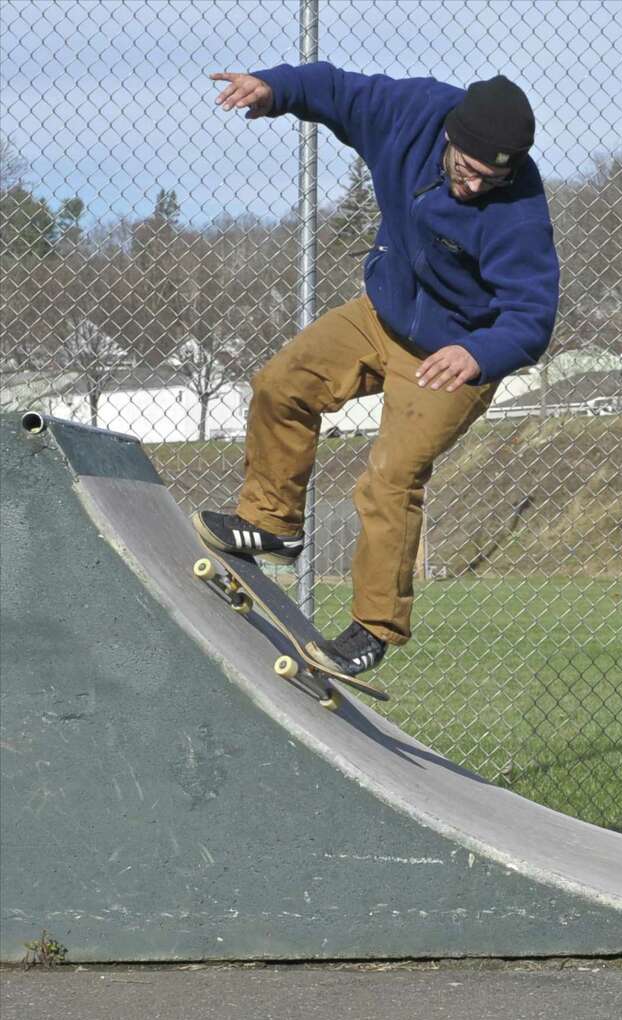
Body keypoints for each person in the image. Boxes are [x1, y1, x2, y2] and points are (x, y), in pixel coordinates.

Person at [193, 63, 560, 675]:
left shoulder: (517, 210)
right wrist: (276, 88)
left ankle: (374, 628)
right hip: (381, 312)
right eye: (467, 171)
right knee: (282, 384)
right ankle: (270, 523)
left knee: (390, 477)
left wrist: (479, 355)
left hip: (454, 354)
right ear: (450, 138)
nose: (473, 189)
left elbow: (533, 316)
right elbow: (339, 90)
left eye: (491, 180)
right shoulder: (413, 113)